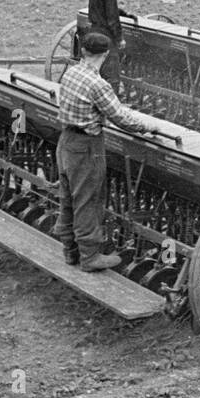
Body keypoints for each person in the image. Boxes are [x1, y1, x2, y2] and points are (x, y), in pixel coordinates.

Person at [55, 30, 153, 271]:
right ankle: (89, 258)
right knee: (88, 200)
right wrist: (147, 126)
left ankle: (71, 251)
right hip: (87, 147)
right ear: (106, 54)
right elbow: (120, 117)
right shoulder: (98, 84)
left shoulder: (71, 73)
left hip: (66, 141)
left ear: (84, 51)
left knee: (68, 197)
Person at [87, 0, 132, 87]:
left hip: (93, 32)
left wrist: (125, 14)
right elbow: (113, 19)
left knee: (97, 70)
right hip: (105, 36)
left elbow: (102, 9)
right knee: (112, 74)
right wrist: (120, 39)